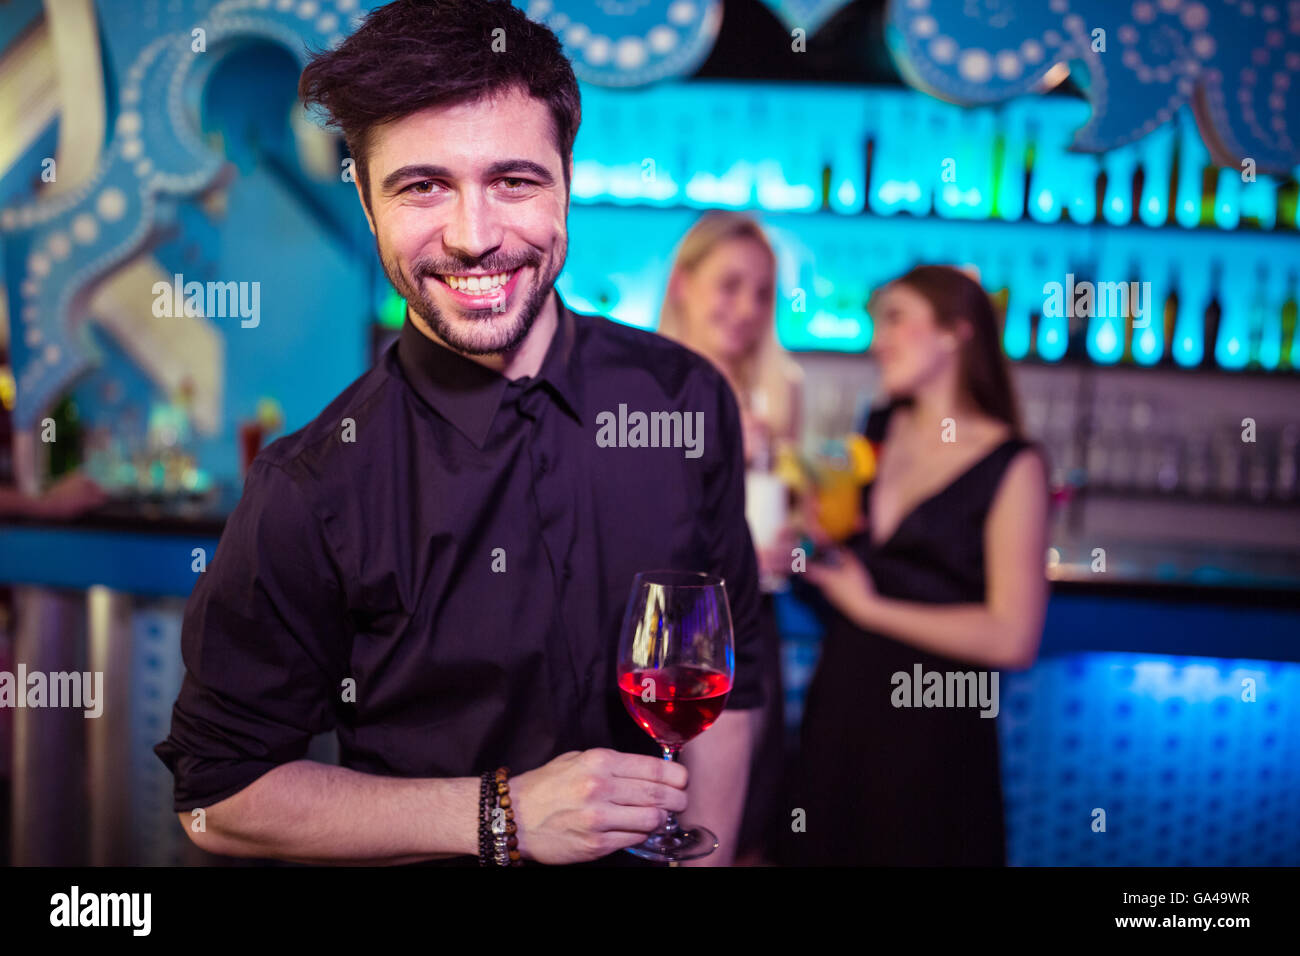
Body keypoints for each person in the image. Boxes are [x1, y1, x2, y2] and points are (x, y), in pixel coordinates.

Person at [154, 0, 765, 867]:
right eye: (421, 185)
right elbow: (219, 797)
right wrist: (502, 816)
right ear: (365, 203)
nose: (475, 239)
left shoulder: (685, 397)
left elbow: (733, 689)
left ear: (566, 183)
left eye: (515, 181)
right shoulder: (311, 488)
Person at [789, 264, 1050, 865]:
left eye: (896, 319)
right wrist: (810, 534)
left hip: (935, 729)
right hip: (845, 702)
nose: (877, 340)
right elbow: (856, 546)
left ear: (957, 331)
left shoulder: (1015, 464)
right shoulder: (878, 427)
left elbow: (1014, 637)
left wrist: (871, 609)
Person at [656, 212, 802, 865]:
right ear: (684, 282)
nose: (746, 308)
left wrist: (792, 544)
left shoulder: (778, 393)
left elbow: (785, 516)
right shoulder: (645, 387)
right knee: (656, 814)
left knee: (744, 828)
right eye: (730, 284)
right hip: (663, 632)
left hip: (749, 630)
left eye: (763, 292)